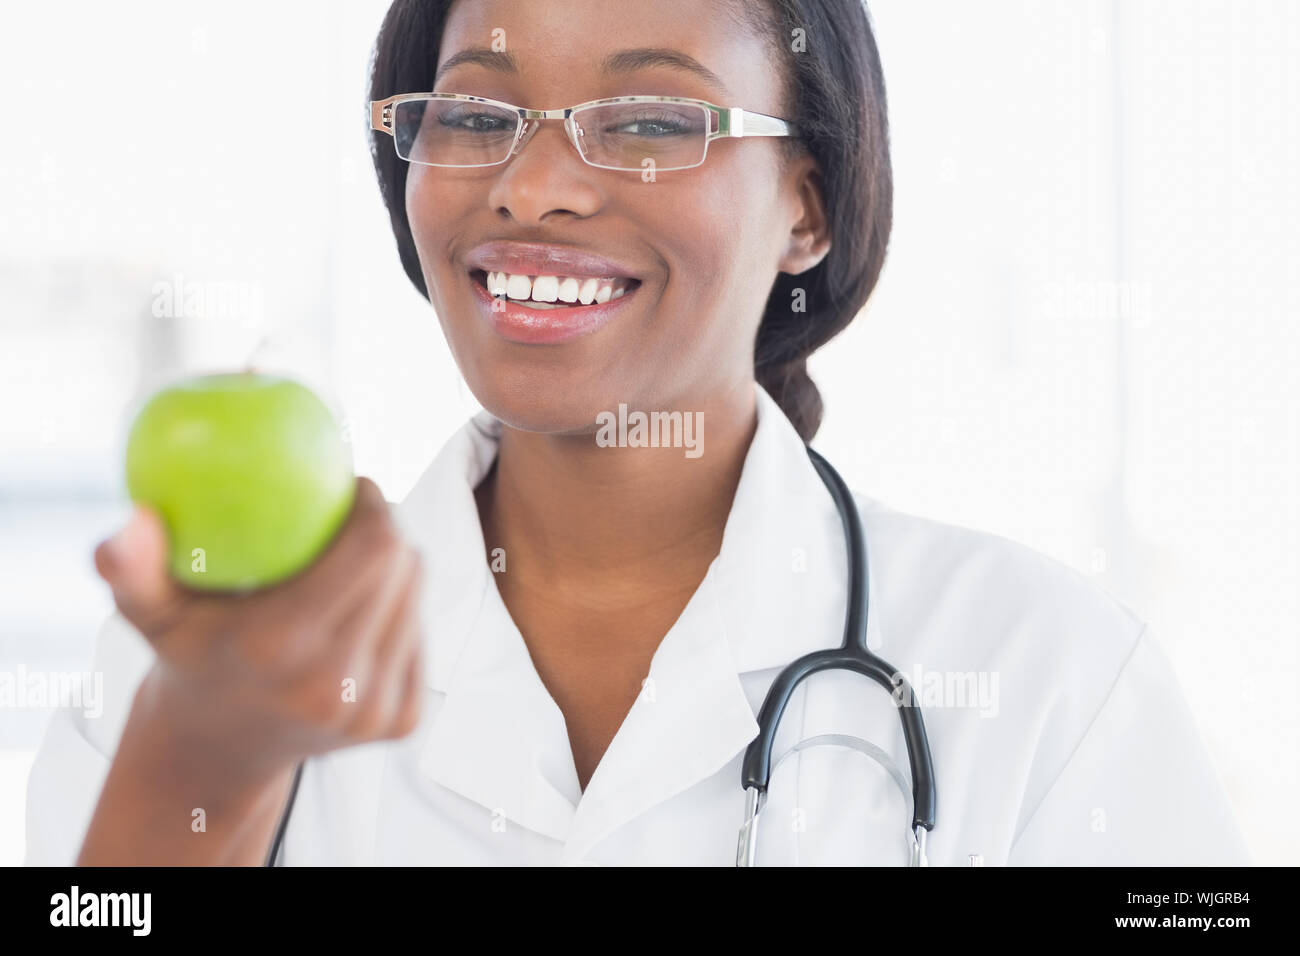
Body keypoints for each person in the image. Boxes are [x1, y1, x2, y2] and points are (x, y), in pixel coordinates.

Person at [25, 0, 1249, 866]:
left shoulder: (1052, 679)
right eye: (474, 115)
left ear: (808, 207)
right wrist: (203, 763)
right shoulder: (198, 662)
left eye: (655, 121)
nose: (535, 185)